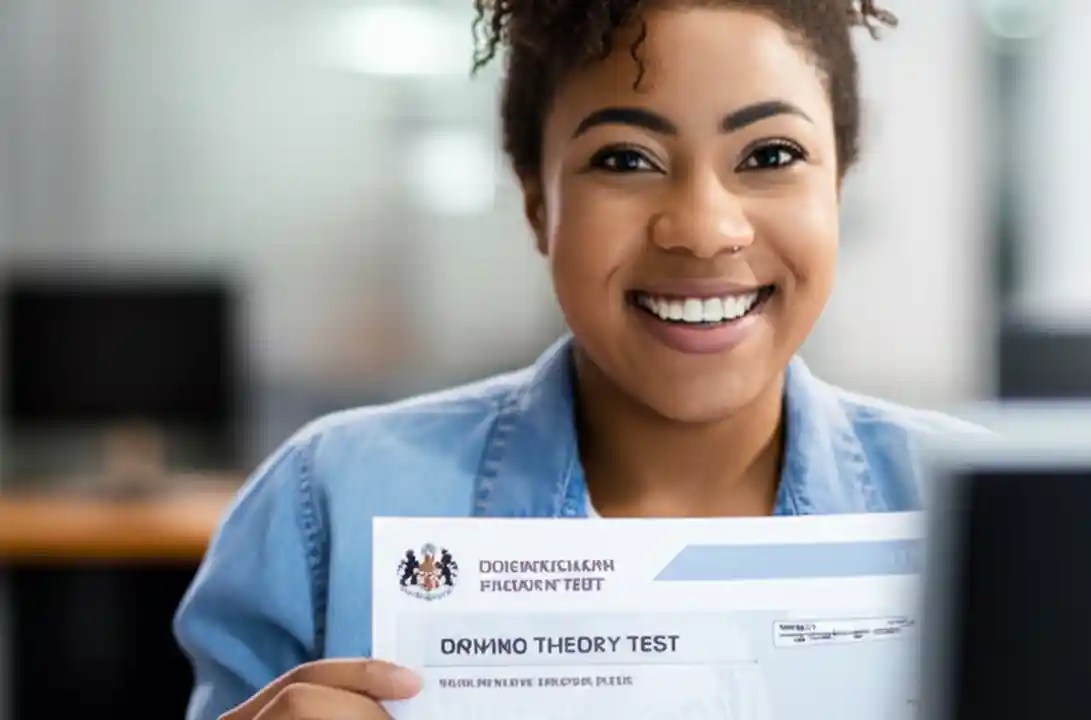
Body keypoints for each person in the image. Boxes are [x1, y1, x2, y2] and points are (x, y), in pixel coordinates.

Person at [174, 1, 977, 718]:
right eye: (625, 159)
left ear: (836, 190)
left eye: (769, 156)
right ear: (537, 205)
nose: (703, 227)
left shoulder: (994, 518)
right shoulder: (331, 505)